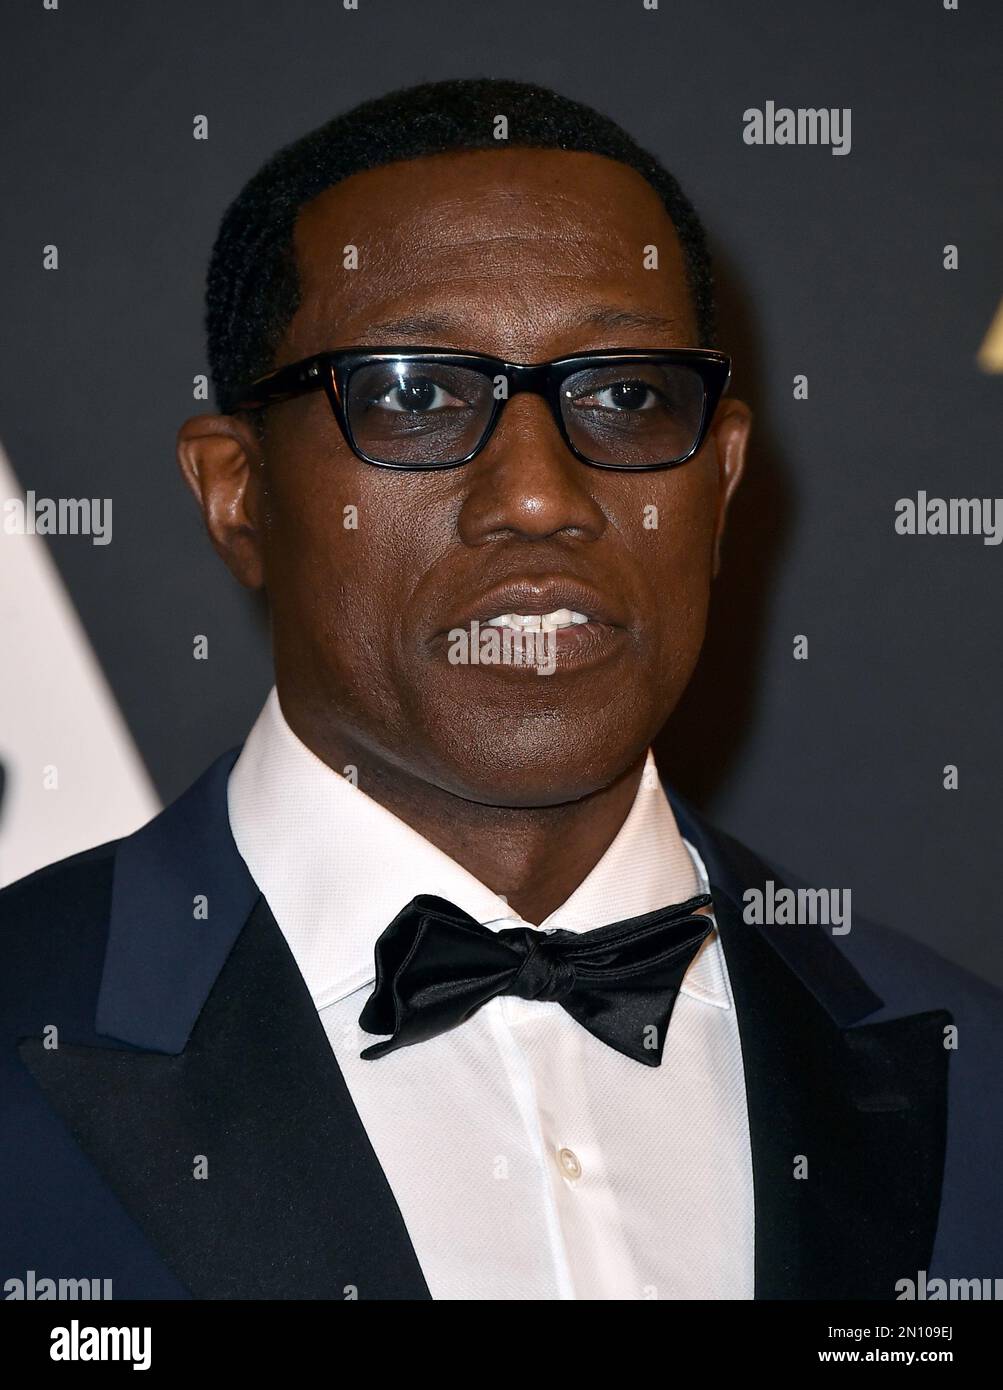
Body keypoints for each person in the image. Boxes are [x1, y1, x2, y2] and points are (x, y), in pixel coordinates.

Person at [2, 77, 1000, 1302]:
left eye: (627, 395)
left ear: (722, 479)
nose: (538, 495)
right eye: (414, 394)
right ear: (237, 493)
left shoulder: (973, 1073)